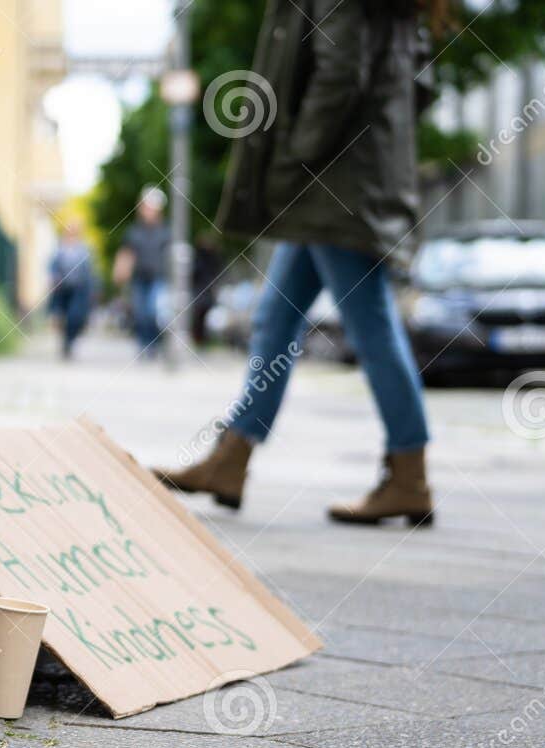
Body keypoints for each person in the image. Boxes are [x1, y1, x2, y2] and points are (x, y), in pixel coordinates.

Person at [155, 0, 439, 526]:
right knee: (275, 318)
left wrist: (297, 154)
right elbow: (421, 81)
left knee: (369, 322)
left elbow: (342, 72)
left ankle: (409, 476)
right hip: (344, 184)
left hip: (337, 188)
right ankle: (231, 458)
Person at [113, 186, 171, 355]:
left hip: (159, 278)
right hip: (139, 278)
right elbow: (125, 253)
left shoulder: (166, 231)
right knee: (140, 313)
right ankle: (144, 345)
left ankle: (154, 345)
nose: (147, 210)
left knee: (154, 312)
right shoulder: (133, 231)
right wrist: (120, 272)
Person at [47, 222, 95, 359]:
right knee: (60, 317)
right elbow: (51, 267)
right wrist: (54, 278)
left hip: (79, 289)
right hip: (62, 289)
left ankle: (70, 340)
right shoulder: (59, 249)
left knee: (76, 316)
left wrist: (92, 290)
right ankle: (65, 342)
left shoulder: (84, 249)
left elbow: (90, 272)